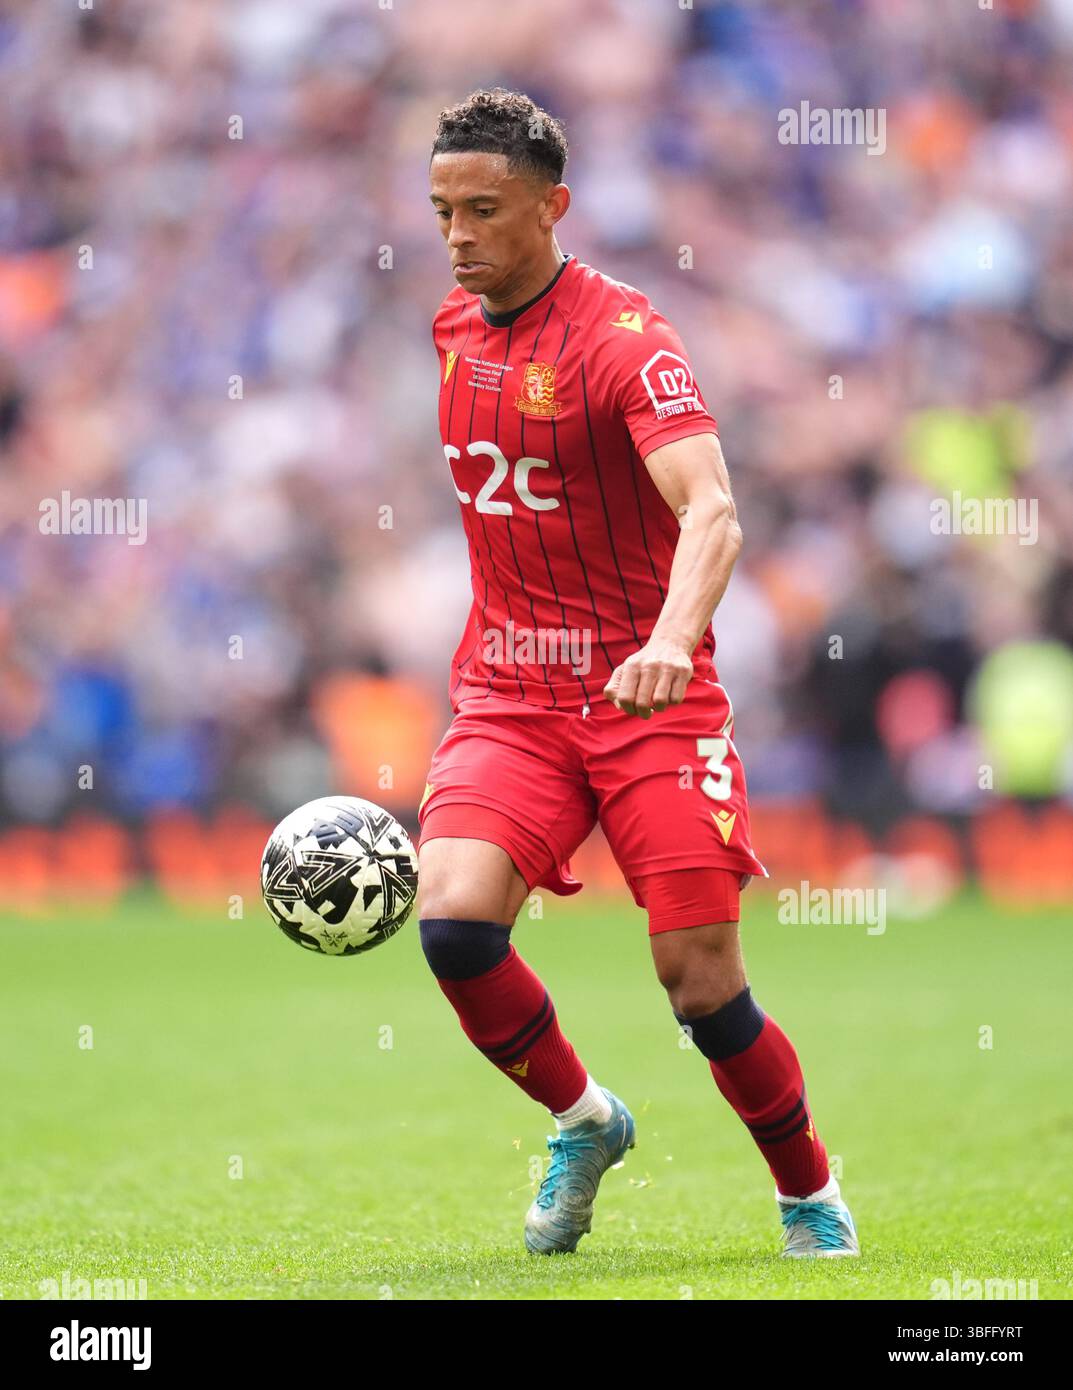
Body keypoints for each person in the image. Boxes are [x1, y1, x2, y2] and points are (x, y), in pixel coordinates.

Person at [418, 87, 858, 1259]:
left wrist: (669, 640)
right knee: (454, 925)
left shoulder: (626, 343)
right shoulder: (450, 329)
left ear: (552, 207)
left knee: (698, 982)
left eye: (485, 210)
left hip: (646, 698)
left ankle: (807, 1190)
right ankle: (584, 1119)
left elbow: (711, 510)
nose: (458, 235)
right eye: (442, 211)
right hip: (509, 692)